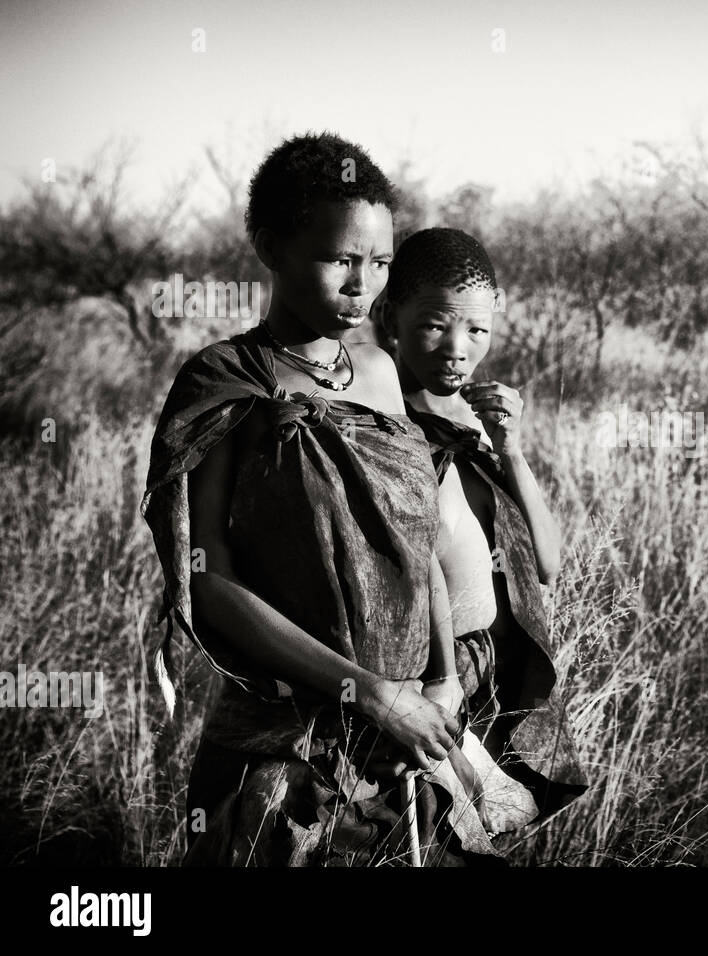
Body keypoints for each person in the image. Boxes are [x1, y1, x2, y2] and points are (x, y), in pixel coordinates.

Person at [142, 133, 498, 866]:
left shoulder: (377, 370)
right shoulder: (226, 382)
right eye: (340, 259)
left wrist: (441, 679)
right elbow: (208, 581)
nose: (362, 285)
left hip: (408, 737)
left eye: (380, 263)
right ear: (272, 248)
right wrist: (366, 691)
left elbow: (417, 538)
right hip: (284, 743)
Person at [377, 227, 589, 836]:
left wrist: (512, 451)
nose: (457, 349)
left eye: (477, 330)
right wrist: (436, 684)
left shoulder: (472, 422)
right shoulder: (382, 432)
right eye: (436, 325)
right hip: (426, 687)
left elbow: (545, 565)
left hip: (492, 679)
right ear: (391, 317)